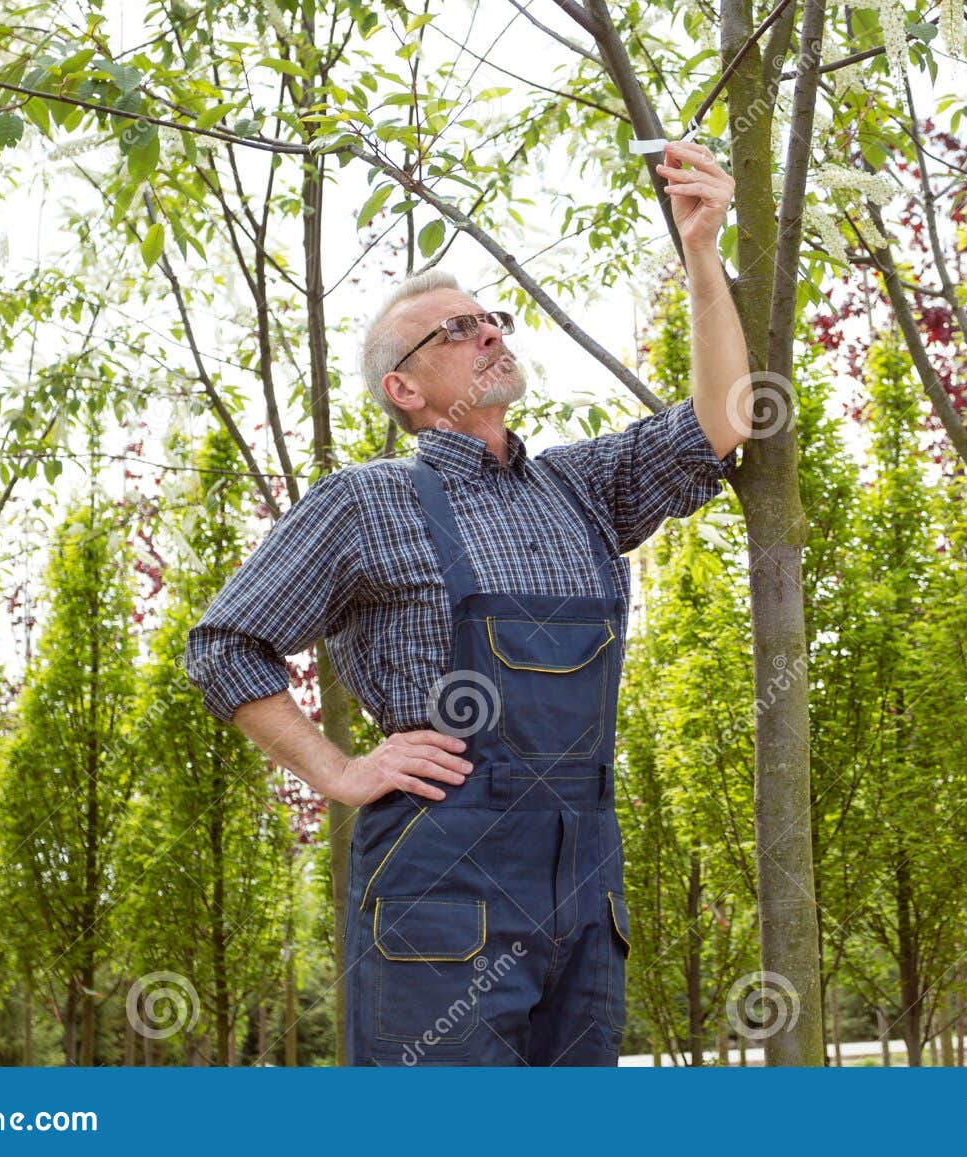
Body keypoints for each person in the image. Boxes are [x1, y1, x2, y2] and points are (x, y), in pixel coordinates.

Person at [184, 139, 749, 1065]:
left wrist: (700, 248)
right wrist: (337, 770)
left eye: (491, 318)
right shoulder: (364, 500)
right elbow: (224, 645)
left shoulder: (580, 487)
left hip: (585, 871)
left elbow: (725, 418)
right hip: (439, 877)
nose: (491, 332)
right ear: (402, 389)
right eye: (457, 329)